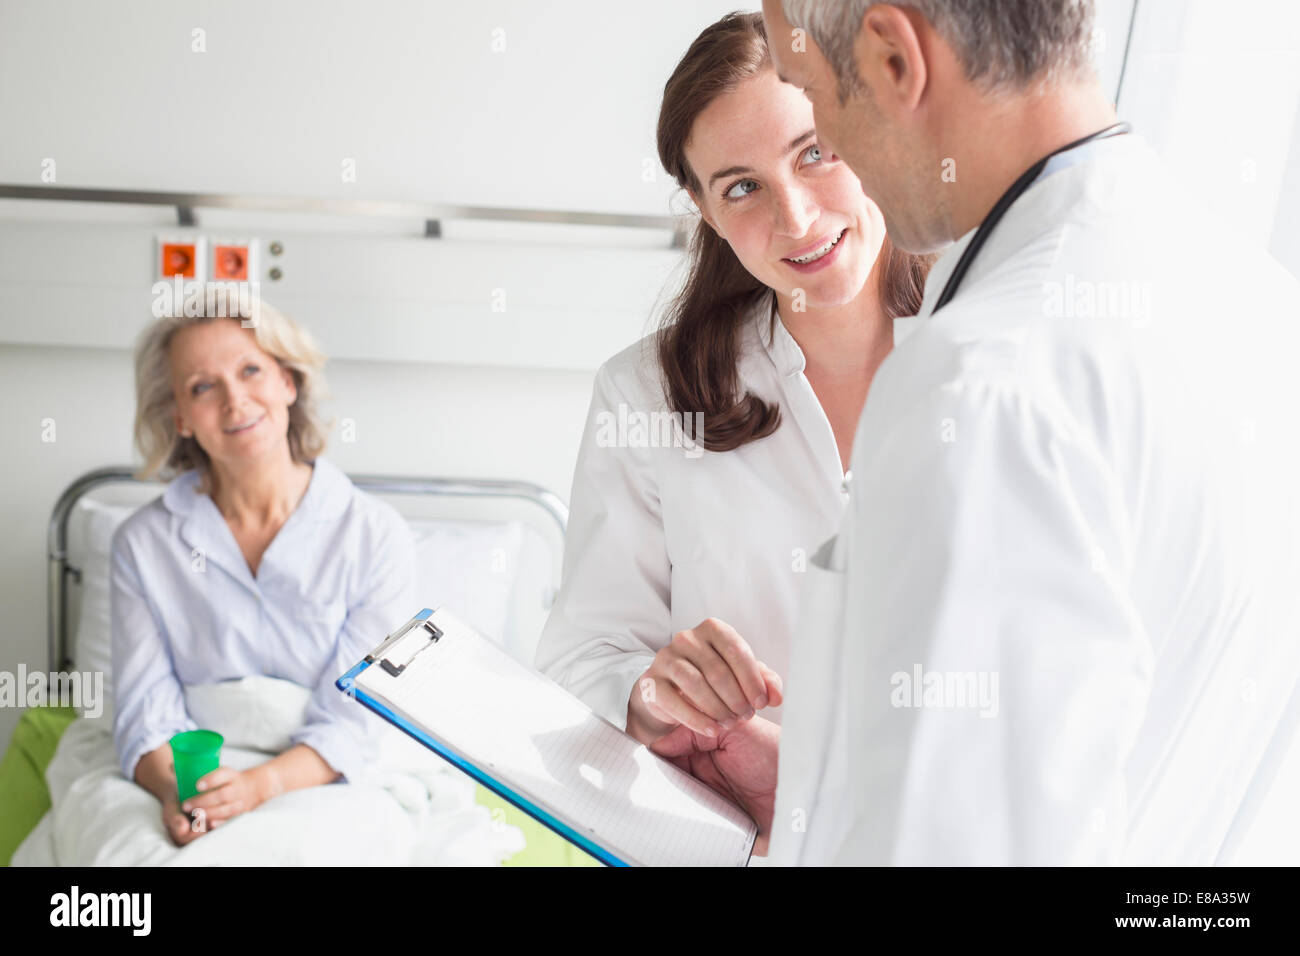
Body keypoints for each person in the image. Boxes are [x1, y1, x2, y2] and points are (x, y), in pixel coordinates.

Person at [735, 0, 1300, 864]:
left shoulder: (982, 384)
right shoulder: (1254, 299)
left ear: (893, 59)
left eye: (812, 92)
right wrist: (830, 785)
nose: (829, 144)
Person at [533, 11, 929, 848]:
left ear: (872, 128)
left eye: (815, 152)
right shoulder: (646, 394)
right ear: (702, 208)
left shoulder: (992, 353)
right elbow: (579, 659)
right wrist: (649, 695)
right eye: (742, 186)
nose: (796, 219)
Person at [112, 300, 418, 846]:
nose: (235, 400)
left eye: (251, 370)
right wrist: (180, 793)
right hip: (183, 776)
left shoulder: (373, 536)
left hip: (328, 777)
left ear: (287, 381)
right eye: (203, 386)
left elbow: (355, 719)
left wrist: (260, 785)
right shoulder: (143, 544)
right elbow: (145, 711)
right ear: (179, 416)